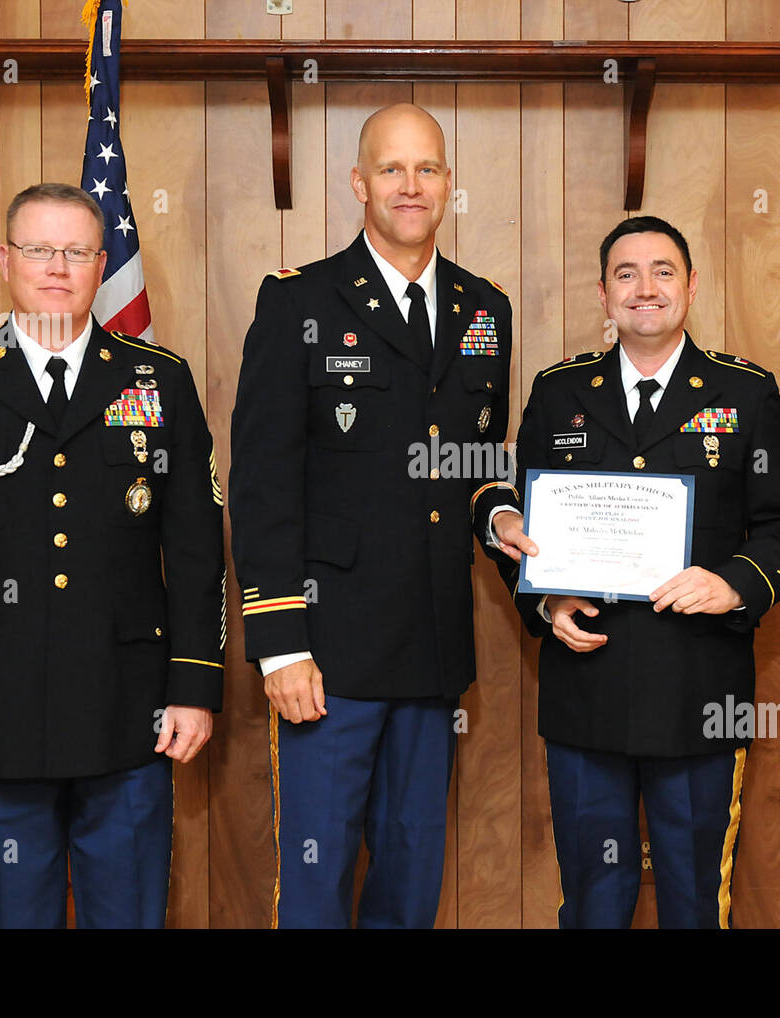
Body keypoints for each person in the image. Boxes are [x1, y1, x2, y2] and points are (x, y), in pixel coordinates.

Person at [0, 183, 225, 928]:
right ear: (6, 260)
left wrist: (195, 685)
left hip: (130, 709)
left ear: (103, 264)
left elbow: (195, 547)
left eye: (75, 252)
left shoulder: (158, 381)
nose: (56, 267)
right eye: (38, 249)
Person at [229, 103, 528, 928]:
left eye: (427, 169)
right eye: (391, 169)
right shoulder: (300, 301)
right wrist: (282, 643)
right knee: (318, 889)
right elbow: (261, 481)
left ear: (448, 187)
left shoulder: (483, 310)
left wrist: (500, 519)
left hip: (431, 654)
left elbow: (475, 458)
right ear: (359, 183)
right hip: (328, 658)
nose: (410, 185)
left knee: (409, 883)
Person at [498, 216, 780, 928]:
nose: (646, 289)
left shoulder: (747, 393)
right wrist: (545, 607)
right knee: (590, 901)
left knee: (695, 900)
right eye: (626, 274)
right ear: (604, 296)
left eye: (663, 271)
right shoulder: (559, 392)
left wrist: (734, 582)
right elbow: (519, 527)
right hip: (586, 693)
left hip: (699, 695)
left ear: (692, 286)